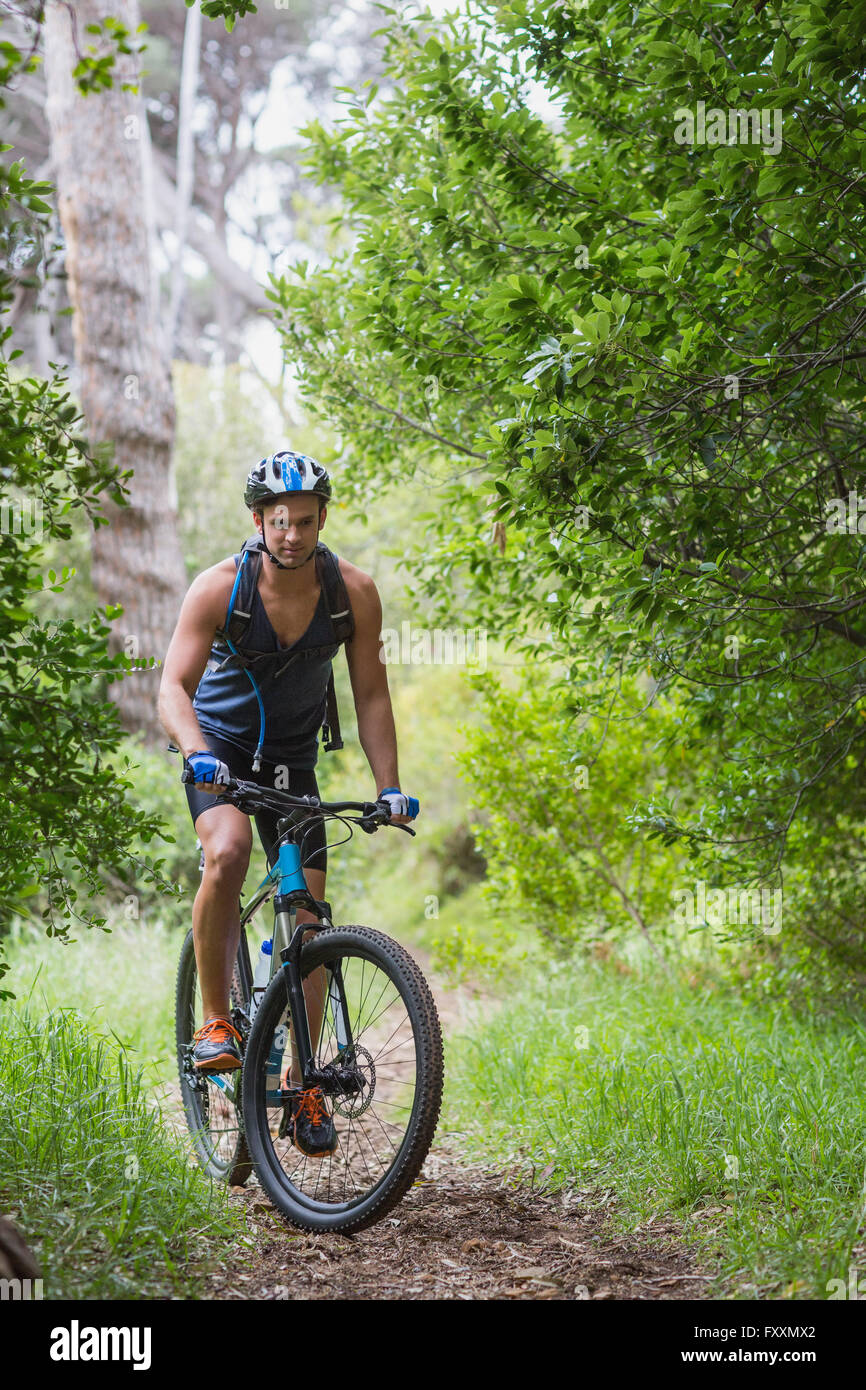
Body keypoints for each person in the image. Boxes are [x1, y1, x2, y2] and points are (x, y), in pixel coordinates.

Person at [158, 449, 419, 1156]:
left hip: (293, 762)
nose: (293, 535)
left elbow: (371, 693)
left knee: (307, 917)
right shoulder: (220, 588)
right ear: (258, 521)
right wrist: (195, 751)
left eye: (305, 522)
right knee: (230, 849)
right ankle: (216, 1021)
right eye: (280, 522)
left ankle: (304, 1086)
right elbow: (171, 688)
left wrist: (387, 786)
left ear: (322, 519)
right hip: (218, 753)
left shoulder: (352, 592)